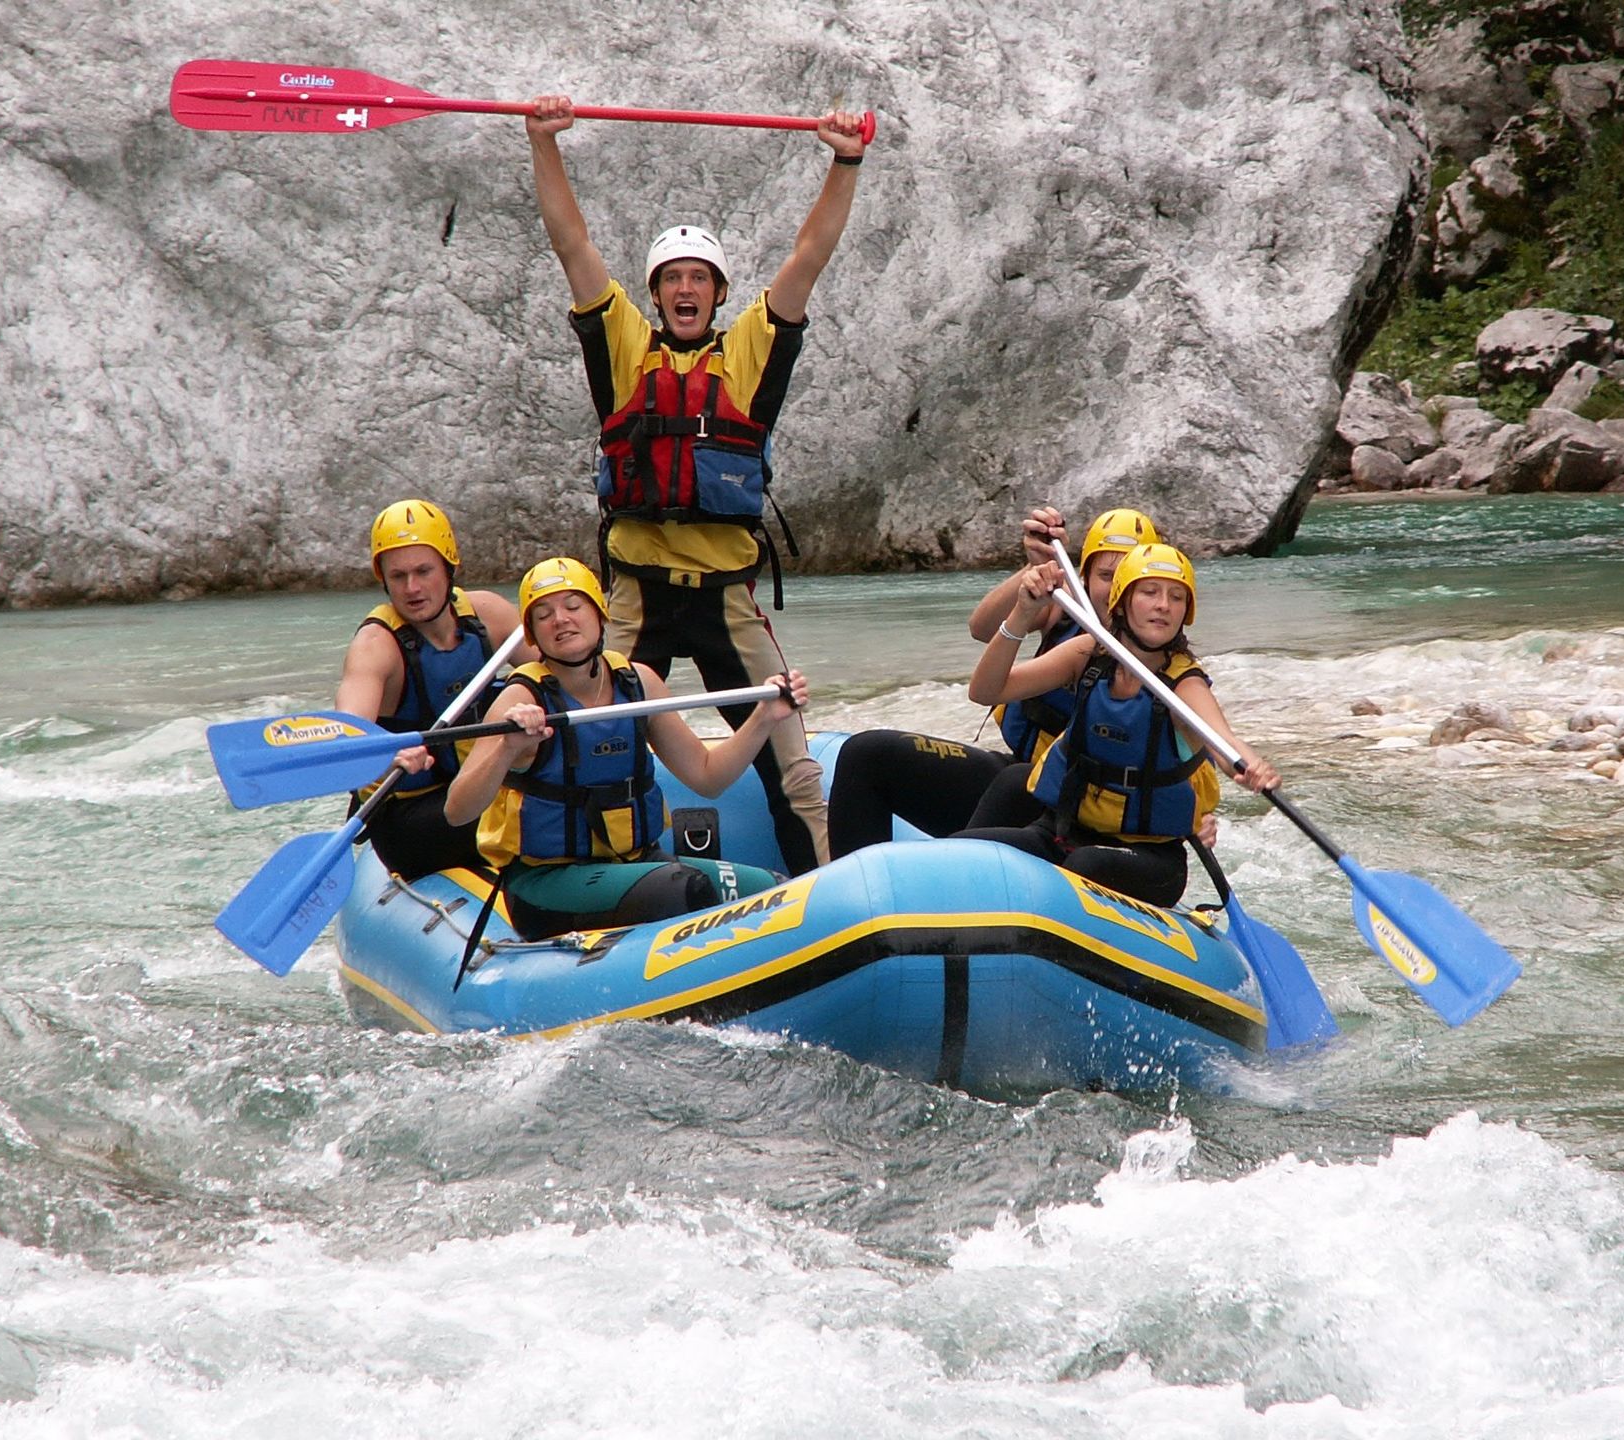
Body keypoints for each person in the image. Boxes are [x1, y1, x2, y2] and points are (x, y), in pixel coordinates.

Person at [524, 92, 867, 876]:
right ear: (655, 295)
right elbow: (570, 243)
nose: (686, 289)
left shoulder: (747, 354)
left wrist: (844, 161)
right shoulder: (621, 347)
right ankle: (570, 882)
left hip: (726, 599)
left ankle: (826, 898)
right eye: (673, 278)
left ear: (717, 294)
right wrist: (545, 142)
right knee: (581, 742)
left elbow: (808, 256)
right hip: (638, 596)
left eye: (700, 279)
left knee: (794, 773)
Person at [444, 557, 808, 941]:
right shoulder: (521, 698)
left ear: (598, 614)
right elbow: (457, 810)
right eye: (544, 614)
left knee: (776, 890)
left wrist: (763, 718)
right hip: (547, 883)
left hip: (638, 863)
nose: (561, 619)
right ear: (533, 634)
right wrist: (507, 746)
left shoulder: (639, 683)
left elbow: (707, 776)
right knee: (683, 890)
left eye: (573, 606)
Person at [825, 506, 1162, 857]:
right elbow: (981, 630)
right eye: (1107, 576)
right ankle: (856, 893)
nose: (1116, 591)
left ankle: (960, 872)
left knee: (1015, 782)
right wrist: (1036, 569)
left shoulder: (1162, 654)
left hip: (1088, 810)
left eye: (1130, 579)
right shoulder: (1063, 610)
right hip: (1020, 782)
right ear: (1084, 577)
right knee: (866, 754)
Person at [955, 544, 1280, 908]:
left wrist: (1252, 767)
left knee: (1084, 865)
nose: (1164, 605)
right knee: (966, 854)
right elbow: (985, 691)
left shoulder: (1183, 683)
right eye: (1150, 592)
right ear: (1122, 603)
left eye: (1176, 597)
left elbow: (1223, 742)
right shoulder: (1088, 655)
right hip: (1063, 833)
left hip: (1149, 859)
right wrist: (1023, 612)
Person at [335, 499, 529, 879]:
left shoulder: (488, 616)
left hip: (480, 791)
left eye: (424, 571)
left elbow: (567, 673)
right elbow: (345, 738)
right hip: (411, 819)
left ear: (449, 566)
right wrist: (383, 756)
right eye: (398, 576)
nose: (412, 588)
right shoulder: (376, 647)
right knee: (542, 813)